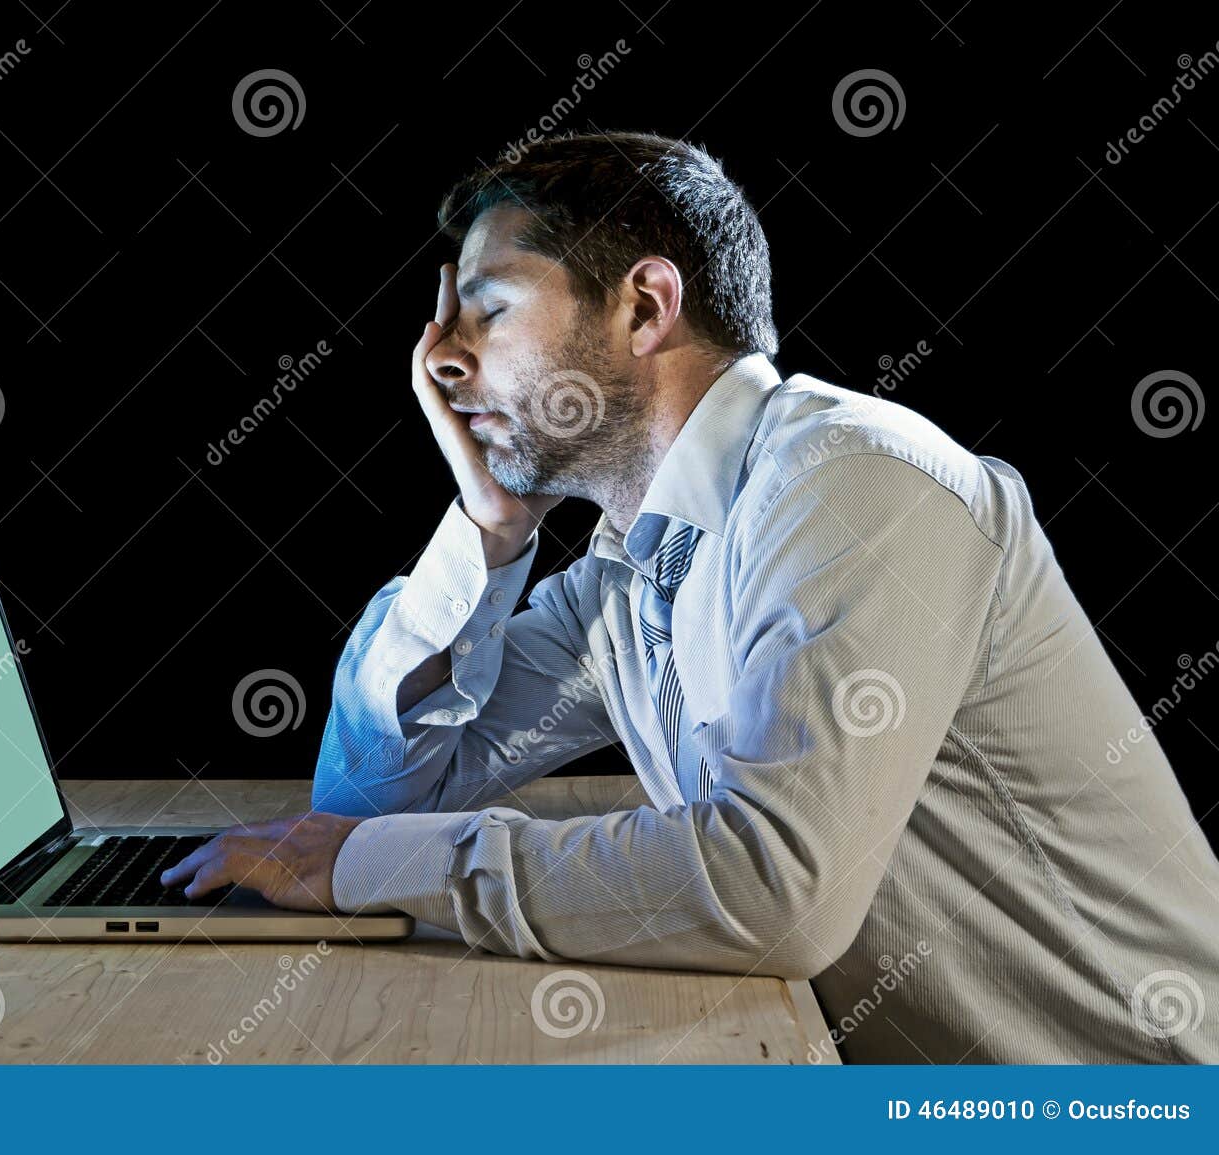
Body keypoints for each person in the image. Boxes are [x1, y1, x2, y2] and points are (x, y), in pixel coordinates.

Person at [162, 131, 1219, 1063]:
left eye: (486, 308)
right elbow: (368, 802)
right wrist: (488, 532)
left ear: (645, 306)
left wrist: (373, 865)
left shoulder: (854, 485)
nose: (439, 358)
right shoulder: (633, 570)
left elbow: (773, 892)